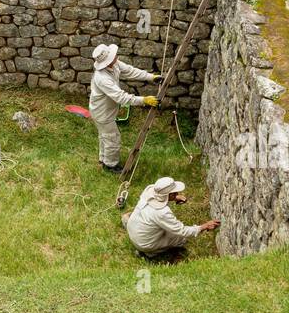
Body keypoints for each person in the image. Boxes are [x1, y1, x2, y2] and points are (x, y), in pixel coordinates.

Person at [89, 42, 159, 173]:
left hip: (104, 110)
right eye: (113, 56)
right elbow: (121, 97)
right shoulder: (102, 78)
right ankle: (110, 166)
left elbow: (130, 71)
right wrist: (144, 100)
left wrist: (151, 77)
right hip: (102, 113)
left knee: (105, 135)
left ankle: (103, 159)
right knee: (112, 138)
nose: (116, 56)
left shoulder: (114, 64)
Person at [123, 177, 219, 258]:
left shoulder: (148, 192)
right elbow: (182, 231)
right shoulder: (162, 213)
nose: (177, 193)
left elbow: (159, 198)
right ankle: (149, 253)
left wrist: (174, 198)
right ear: (169, 195)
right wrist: (204, 226)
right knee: (180, 239)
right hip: (144, 243)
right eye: (175, 193)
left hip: (132, 229)